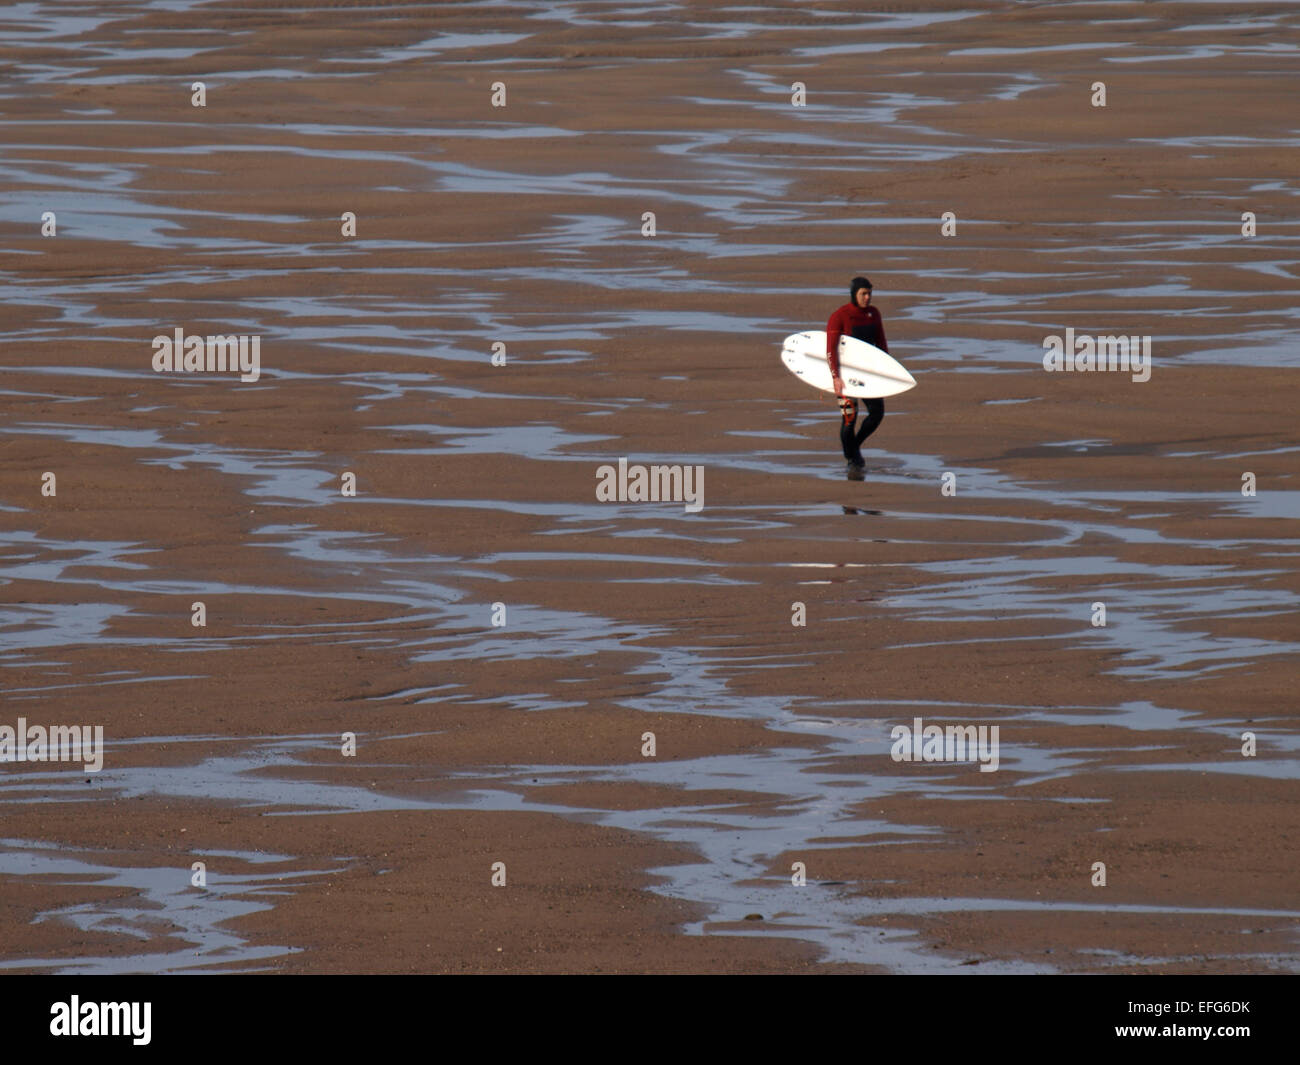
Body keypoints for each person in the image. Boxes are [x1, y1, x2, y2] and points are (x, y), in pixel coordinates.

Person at [826, 276, 888, 476]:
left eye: (869, 293)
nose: (867, 297)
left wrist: (886, 371)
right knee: (849, 419)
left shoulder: (873, 314)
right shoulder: (840, 315)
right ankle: (852, 458)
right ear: (854, 294)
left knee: (877, 413)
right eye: (863, 294)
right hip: (845, 377)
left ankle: (854, 447)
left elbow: (882, 345)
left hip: (867, 374)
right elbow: (830, 349)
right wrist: (835, 377)